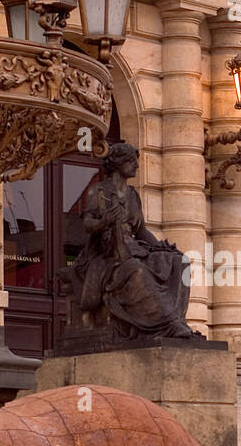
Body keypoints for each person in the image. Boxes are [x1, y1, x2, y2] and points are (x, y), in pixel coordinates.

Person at [63, 141, 204, 342]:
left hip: (133, 248)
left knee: (178, 261)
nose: (137, 166)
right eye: (132, 161)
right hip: (108, 253)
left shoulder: (133, 195)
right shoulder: (99, 191)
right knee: (136, 270)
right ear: (119, 163)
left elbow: (141, 231)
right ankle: (166, 323)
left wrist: (159, 246)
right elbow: (87, 225)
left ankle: (177, 321)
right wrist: (105, 221)